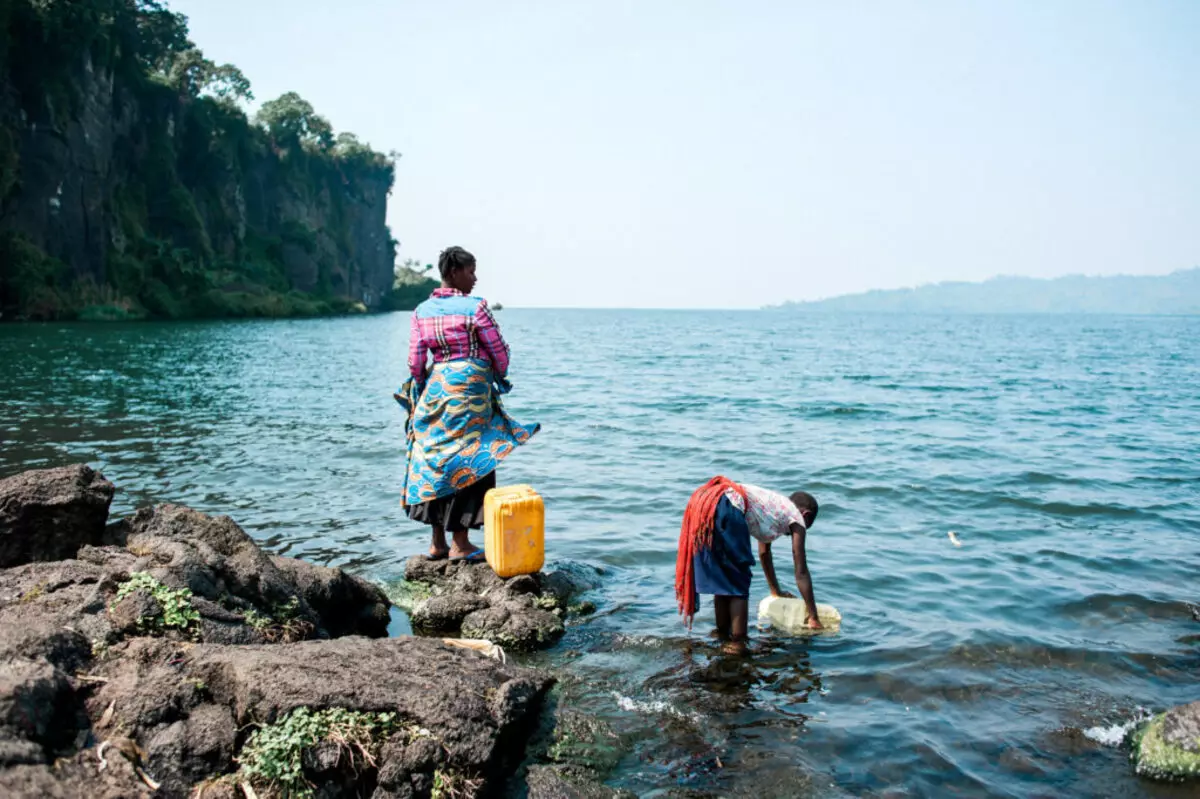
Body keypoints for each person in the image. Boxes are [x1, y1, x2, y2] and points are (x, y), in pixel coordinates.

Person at [395, 246, 539, 562]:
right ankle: (461, 543)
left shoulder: (421, 311)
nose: (474, 278)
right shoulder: (476, 308)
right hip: (470, 391)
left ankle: (437, 543)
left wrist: (421, 389)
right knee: (475, 457)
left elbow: (416, 361)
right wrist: (498, 375)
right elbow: (499, 350)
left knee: (434, 458)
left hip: (437, 389)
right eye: (471, 271)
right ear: (455, 272)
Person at [675, 476, 821, 654]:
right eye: (808, 525)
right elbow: (801, 571)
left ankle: (722, 635)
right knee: (738, 580)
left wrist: (776, 591)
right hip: (727, 504)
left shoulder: (773, 508)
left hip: (707, 502)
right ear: (805, 515)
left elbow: (764, 553)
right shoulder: (796, 517)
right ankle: (738, 642)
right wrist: (814, 617)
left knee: (724, 580)